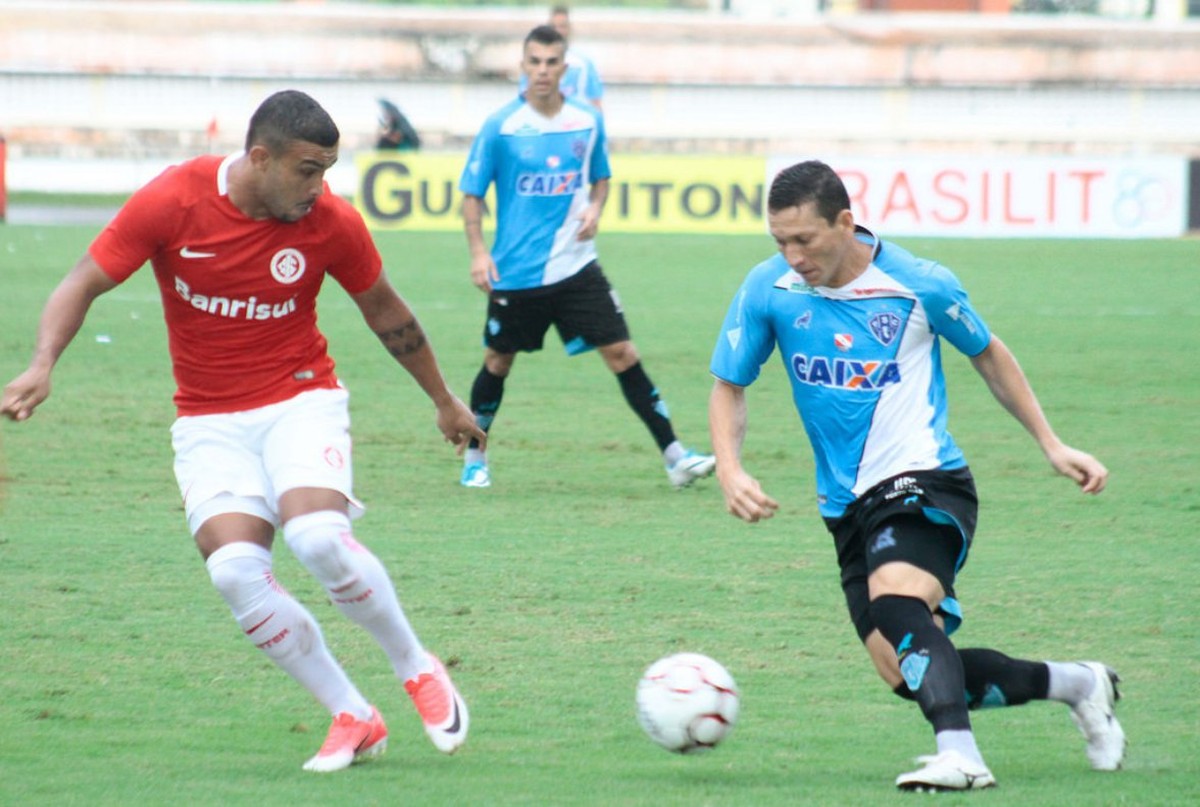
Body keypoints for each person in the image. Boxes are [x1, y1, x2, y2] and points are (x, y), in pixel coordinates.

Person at [1, 90, 479, 774]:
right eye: (309, 169)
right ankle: (352, 713)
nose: (321, 186)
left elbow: (386, 311)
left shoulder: (330, 222)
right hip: (207, 419)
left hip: (299, 399)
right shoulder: (175, 201)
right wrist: (42, 362)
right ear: (261, 157)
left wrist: (443, 399)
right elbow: (82, 281)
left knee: (316, 535)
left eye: (328, 169)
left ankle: (415, 665)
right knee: (233, 572)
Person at [708, 160, 1126, 791]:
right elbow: (728, 386)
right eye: (780, 242)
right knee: (908, 671)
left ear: (845, 224)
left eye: (805, 240)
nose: (792, 256)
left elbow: (988, 355)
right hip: (844, 504)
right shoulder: (770, 289)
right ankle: (1077, 683)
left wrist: (1051, 443)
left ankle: (961, 754)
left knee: (898, 601)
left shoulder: (918, 284)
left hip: (926, 478)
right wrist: (730, 469)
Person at [457, 25, 713, 490]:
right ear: (522, 66)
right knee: (498, 362)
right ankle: (476, 455)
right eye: (534, 61)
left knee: (622, 352)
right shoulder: (502, 126)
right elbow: (471, 195)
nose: (542, 70)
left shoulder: (586, 122)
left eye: (551, 62)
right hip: (516, 272)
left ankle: (676, 456)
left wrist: (595, 207)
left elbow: (601, 177)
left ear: (564, 67)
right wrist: (478, 252)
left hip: (577, 266)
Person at [517, 5, 604, 113]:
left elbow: (595, 102)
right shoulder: (535, 63)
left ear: (569, 28)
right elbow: (523, 98)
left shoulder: (584, 64)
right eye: (554, 26)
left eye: (562, 26)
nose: (558, 31)